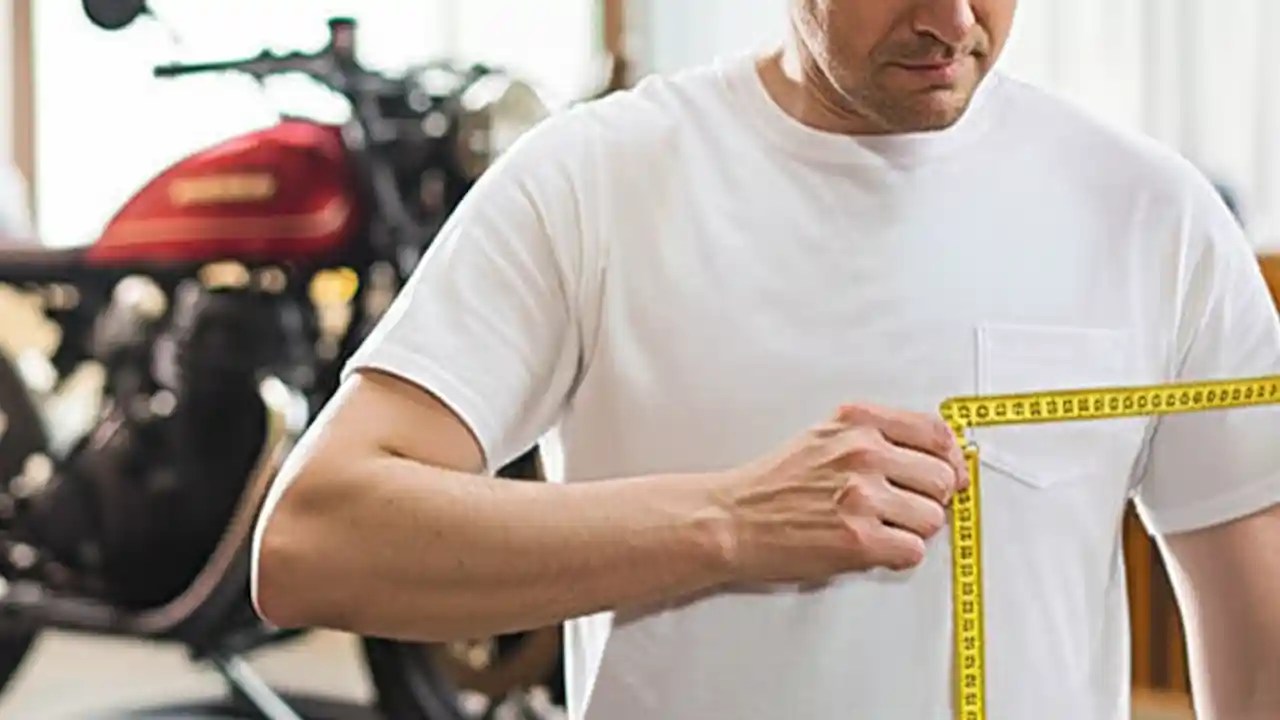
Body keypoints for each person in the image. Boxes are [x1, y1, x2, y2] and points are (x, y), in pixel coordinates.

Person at [249, 1, 1280, 718]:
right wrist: (728, 524)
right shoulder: (593, 180)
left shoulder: (1153, 216)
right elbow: (310, 546)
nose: (951, 20)